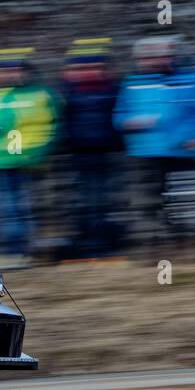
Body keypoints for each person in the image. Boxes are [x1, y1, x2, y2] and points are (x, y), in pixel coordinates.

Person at [113, 36, 195, 244]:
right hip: (146, 152)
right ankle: (157, 244)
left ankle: (189, 241)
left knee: (186, 199)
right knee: (150, 201)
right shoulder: (132, 83)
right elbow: (119, 116)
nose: (153, 61)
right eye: (147, 58)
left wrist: (193, 135)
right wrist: (128, 122)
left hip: (184, 151)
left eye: (160, 56)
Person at [0, 48, 59, 266]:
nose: (3, 76)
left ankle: (18, 252)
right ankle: (2, 251)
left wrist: (31, 153)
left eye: (10, 71)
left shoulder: (35, 96)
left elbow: (41, 127)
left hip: (17, 161)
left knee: (15, 208)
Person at [57, 38, 123, 257]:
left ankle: (99, 241)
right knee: (80, 198)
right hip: (77, 151)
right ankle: (83, 239)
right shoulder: (65, 91)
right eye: (79, 68)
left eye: (92, 68)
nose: (85, 72)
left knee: (100, 198)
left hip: (104, 151)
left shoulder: (112, 89)